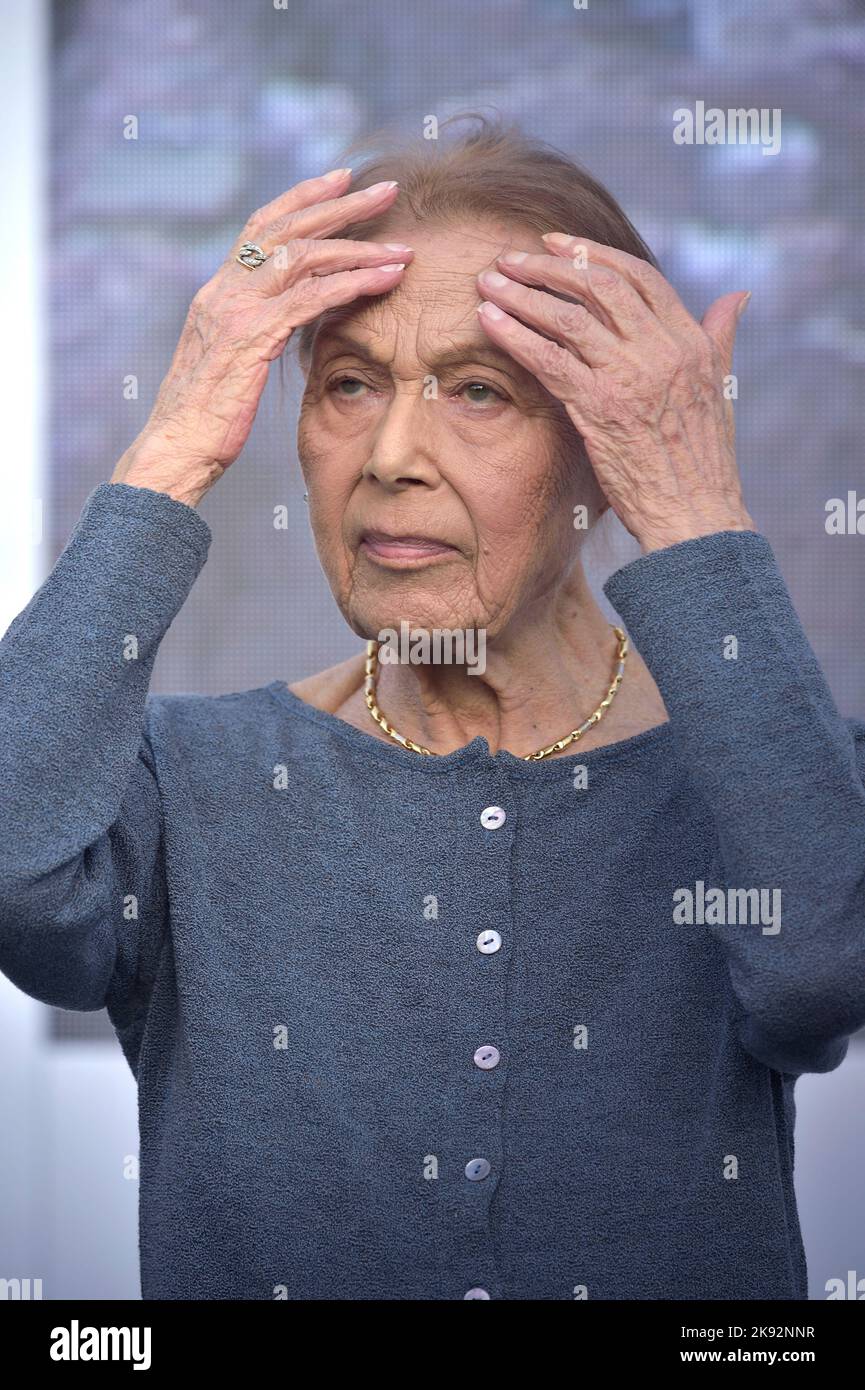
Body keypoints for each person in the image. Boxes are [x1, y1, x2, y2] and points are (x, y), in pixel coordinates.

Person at [2, 116, 863, 1300]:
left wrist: (692, 509)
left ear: (603, 447)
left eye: (480, 391)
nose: (391, 454)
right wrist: (175, 445)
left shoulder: (758, 779)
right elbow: (14, 867)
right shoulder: (187, 782)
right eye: (347, 383)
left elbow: (825, 967)